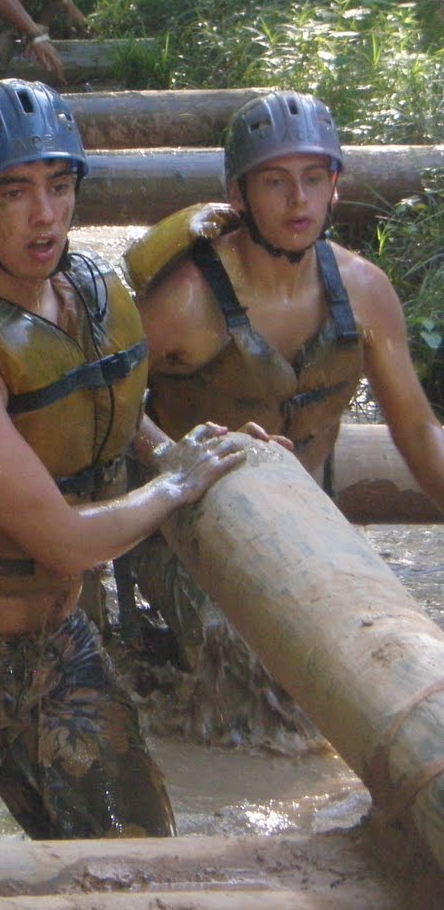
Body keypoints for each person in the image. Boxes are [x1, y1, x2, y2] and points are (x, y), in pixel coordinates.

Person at [0, 79, 247, 841]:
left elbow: (94, 413)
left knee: (135, 856)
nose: (45, 216)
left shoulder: (85, 293)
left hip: (58, 631)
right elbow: (62, 539)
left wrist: (170, 447)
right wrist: (179, 482)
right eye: (14, 193)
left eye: (59, 187)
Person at [123, 92, 444, 683]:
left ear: (334, 186)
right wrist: (171, 458)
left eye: (313, 178)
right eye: (275, 182)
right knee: (256, 665)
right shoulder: (185, 300)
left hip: (311, 529)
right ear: (239, 194)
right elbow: (103, 405)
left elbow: (419, 431)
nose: (299, 200)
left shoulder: (365, 290)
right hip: (190, 537)